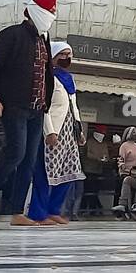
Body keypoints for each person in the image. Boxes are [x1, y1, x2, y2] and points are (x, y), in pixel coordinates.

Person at [0, 0, 57, 224]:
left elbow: (46, 75)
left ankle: (17, 211)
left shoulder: (44, 40)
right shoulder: (12, 35)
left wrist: (46, 106)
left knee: (28, 160)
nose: (52, 16)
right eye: (49, 11)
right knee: (15, 153)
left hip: (37, 108)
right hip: (15, 105)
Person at [27, 42, 85, 227]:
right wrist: (50, 132)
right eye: (62, 54)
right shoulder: (46, 77)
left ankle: (54, 210)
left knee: (69, 172)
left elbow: (73, 106)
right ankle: (38, 213)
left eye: (69, 54)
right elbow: (45, 107)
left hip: (69, 133)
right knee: (44, 173)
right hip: (53, 131)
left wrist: (79, 130)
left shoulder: (69, 78)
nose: (66, 58)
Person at [113, 126, 136, 216]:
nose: (135, 134)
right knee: (122, 190)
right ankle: (120, 210)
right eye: (133, 132)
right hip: (125, 173)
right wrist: (122, 168)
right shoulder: (124, 146)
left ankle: (132, 209)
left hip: (135, 173)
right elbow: (121, 159)